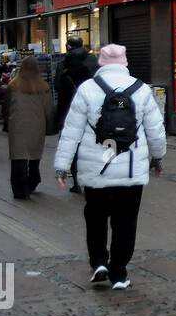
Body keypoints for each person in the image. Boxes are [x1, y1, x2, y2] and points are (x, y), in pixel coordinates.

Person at [54, 44, 166, 291]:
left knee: (95, 217)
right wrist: (158, 158)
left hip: (96, 171)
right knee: (125, 221)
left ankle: (98, 262)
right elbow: (156, 131)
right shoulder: (142, 90)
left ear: (101, 64)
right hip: (130, 171)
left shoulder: (87, 89)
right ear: (125, 63)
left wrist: (62, 166)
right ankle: (119, 272)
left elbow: (70, 131)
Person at [5, 56, 54, 200]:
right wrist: (50, 127)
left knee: (18, 157)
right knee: (34, 154)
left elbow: (6, 107)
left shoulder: (13, 85)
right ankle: (33, 179)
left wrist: (6, 124)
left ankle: (19, 189)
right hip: (37, 124)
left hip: (17, 124)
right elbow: (49, 109)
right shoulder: (44, 87)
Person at [56, 37, 97, 193]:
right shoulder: (94, 60)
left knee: (72, 144)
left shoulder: (64, 63)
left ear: (68, 47)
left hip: (69, 109)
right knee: (90, 144)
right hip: (92, 108)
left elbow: (58, 86)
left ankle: (77, 181)